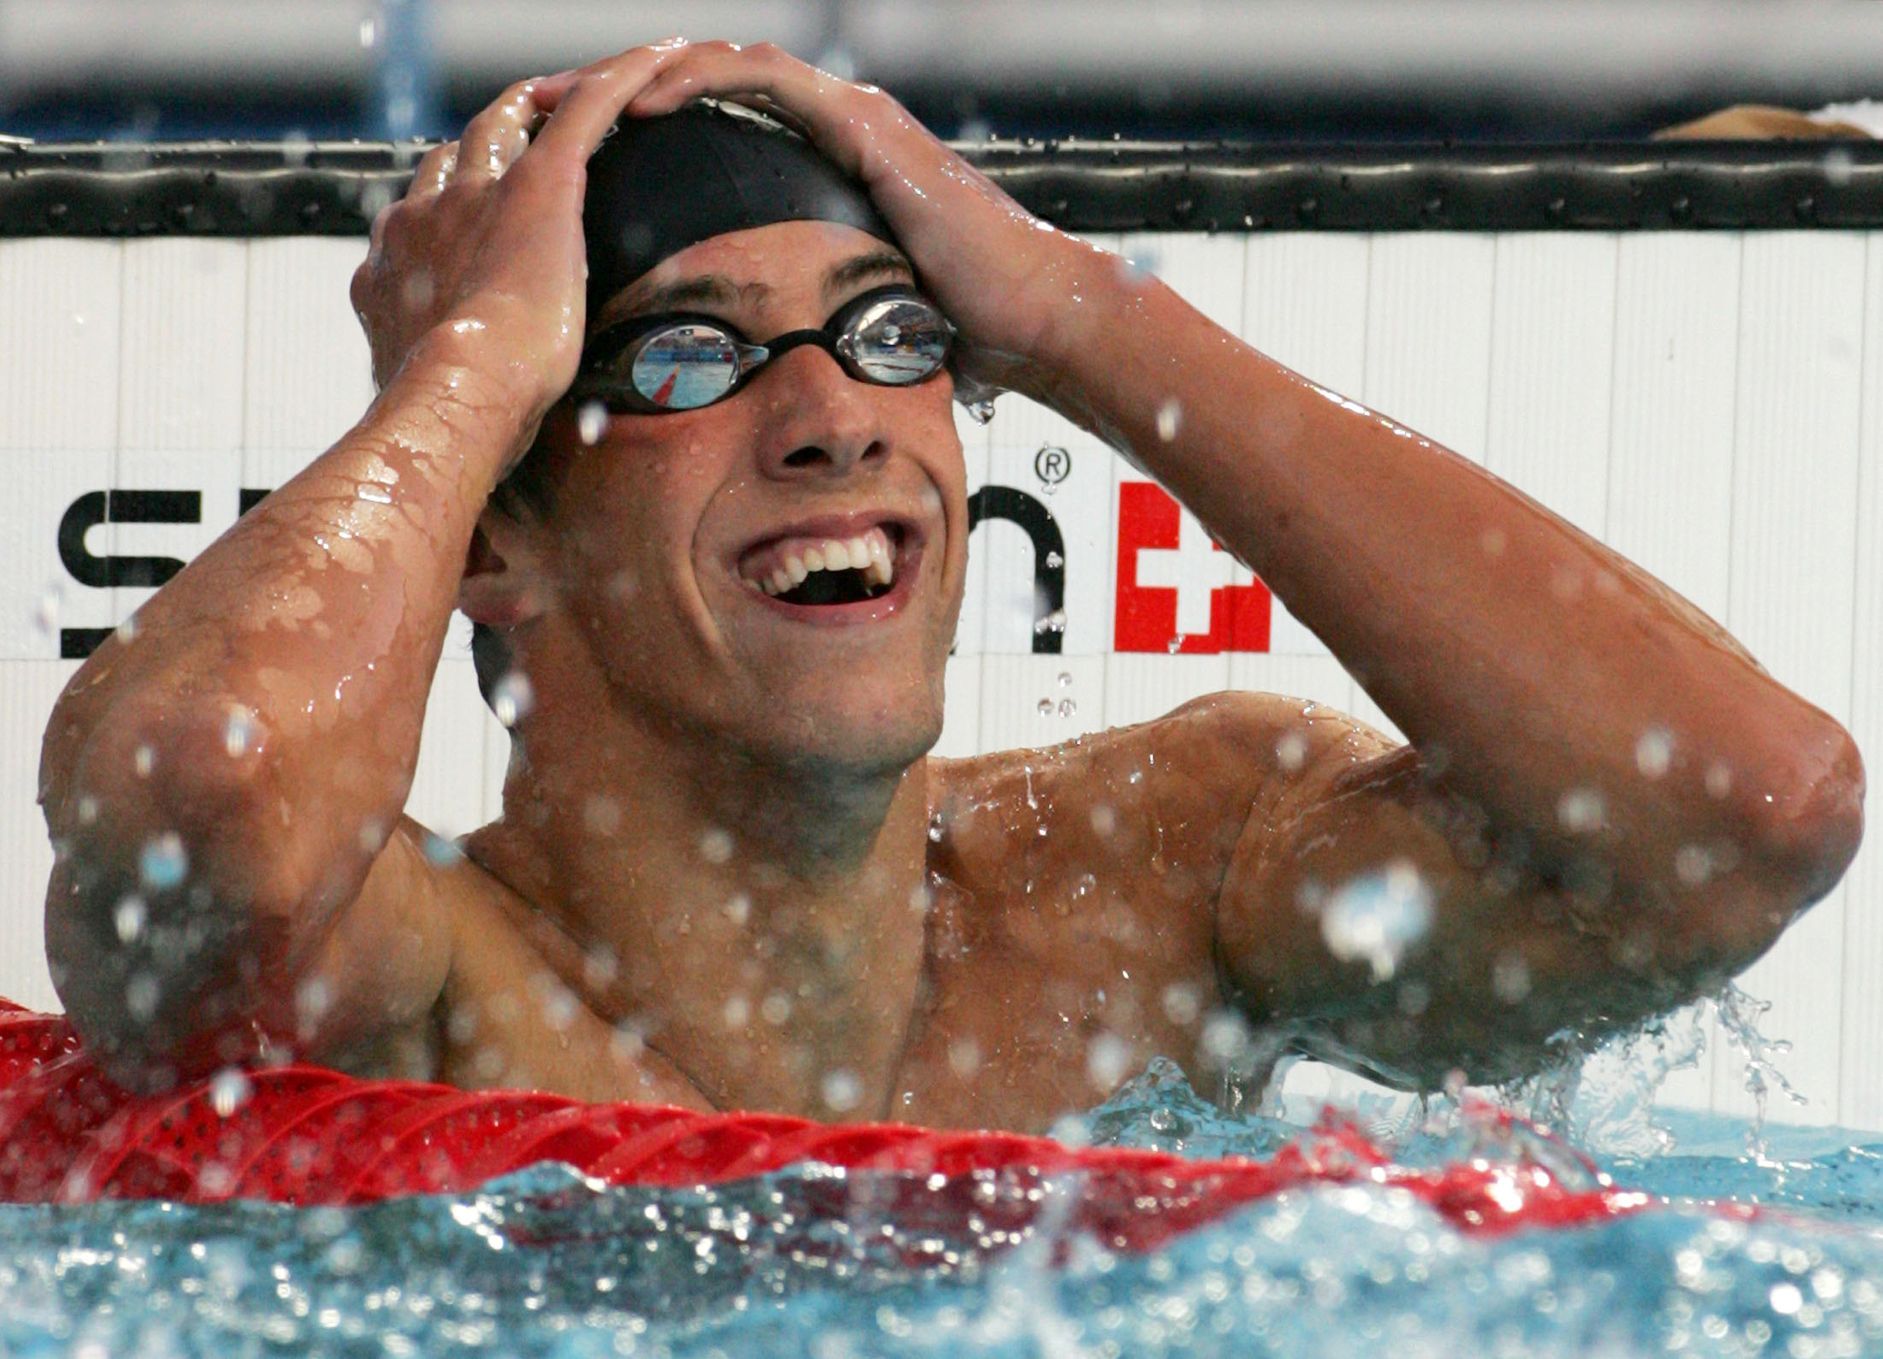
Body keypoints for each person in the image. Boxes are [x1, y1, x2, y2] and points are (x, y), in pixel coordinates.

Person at [39, 42, 1863, 1133]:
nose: (836, 420)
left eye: (897, 337)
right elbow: (206, 796)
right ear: (501, 536)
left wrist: (1081, 316)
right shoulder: (416, 990)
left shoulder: (1158, 892)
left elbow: (1739, 812)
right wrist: (471, 364)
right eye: (688, 358)